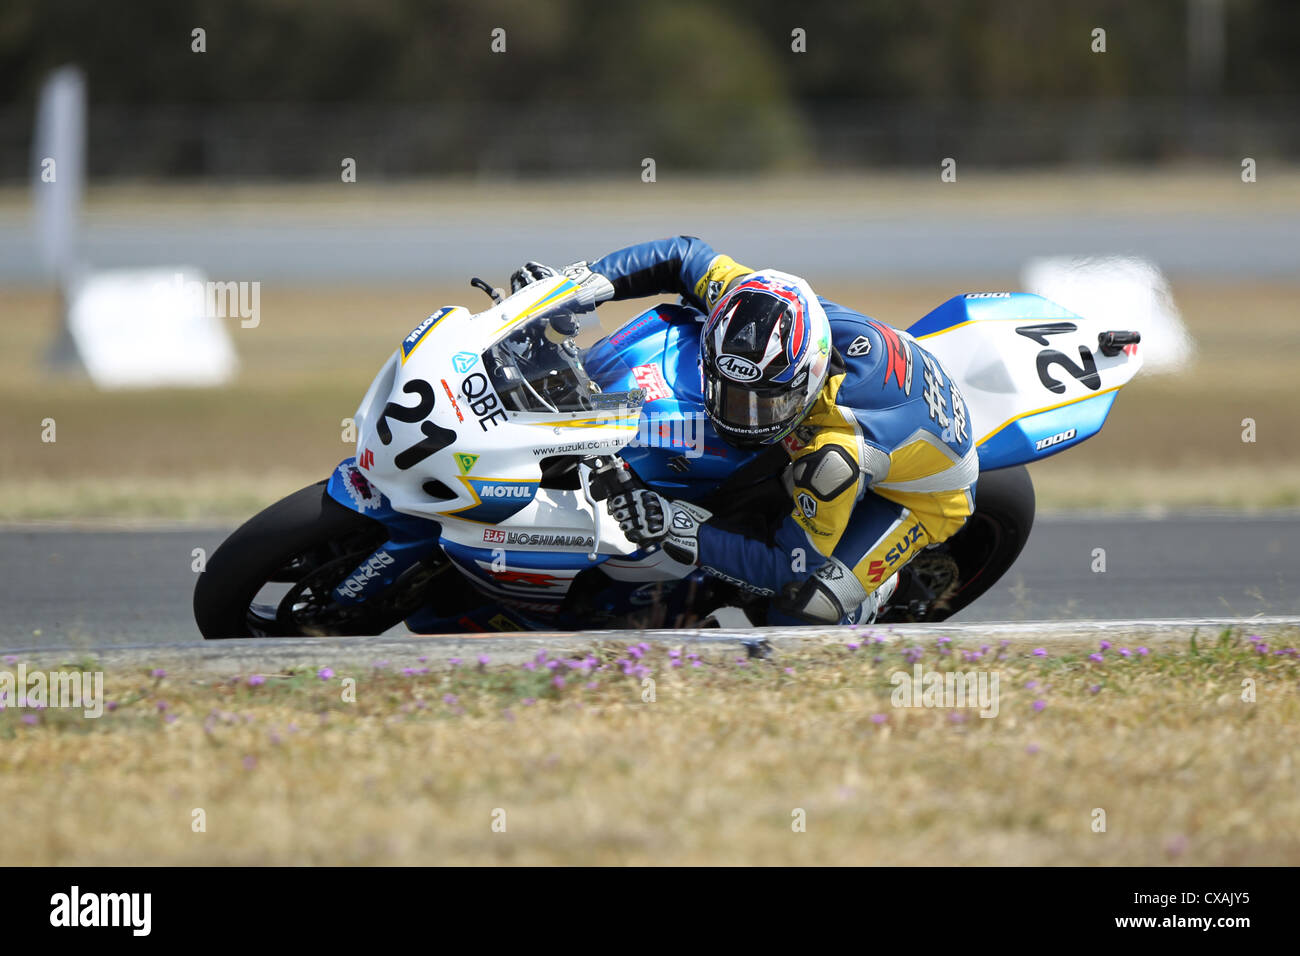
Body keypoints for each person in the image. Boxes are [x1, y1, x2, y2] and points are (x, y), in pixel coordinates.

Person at [509, 237, 977, 625]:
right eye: (729, 392)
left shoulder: (836, 456)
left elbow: (788, 569)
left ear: (808, 378)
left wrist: (672, 523)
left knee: (802, 609)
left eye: (764, 402)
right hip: (897, 384)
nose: (742, 415)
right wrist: (576, 285)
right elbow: (682, 256)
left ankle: (873, 597)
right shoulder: (761, 302)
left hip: (926, 492)